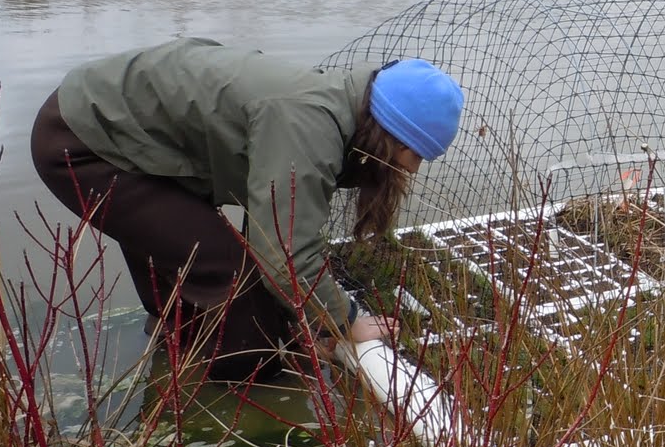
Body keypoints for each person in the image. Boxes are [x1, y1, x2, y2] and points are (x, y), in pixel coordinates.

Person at [30, 38, 464, 381]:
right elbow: (285, 254)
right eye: (416, 153)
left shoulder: (341, 105)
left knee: (195, 257)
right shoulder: (308, 125)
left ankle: (175, 359)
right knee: (229, 273)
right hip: (84, 142)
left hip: (126, 135)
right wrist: (345, 322)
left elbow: (270, 224)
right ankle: (250, 394)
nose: (415, 168)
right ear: (391, 135)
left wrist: (306, 320)